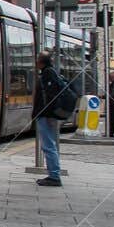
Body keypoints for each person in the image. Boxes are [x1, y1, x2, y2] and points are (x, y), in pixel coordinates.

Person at [33, 50, 74, 187]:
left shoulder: (48, 74)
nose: (36, 62)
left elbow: (51, 96)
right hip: (46, 114)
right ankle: (53, 174)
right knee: (49, 145)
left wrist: (49, 114)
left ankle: (54, 176)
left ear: (40, 62)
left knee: (49, 146)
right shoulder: (50, 72)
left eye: (37, 59)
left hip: (46, 115)